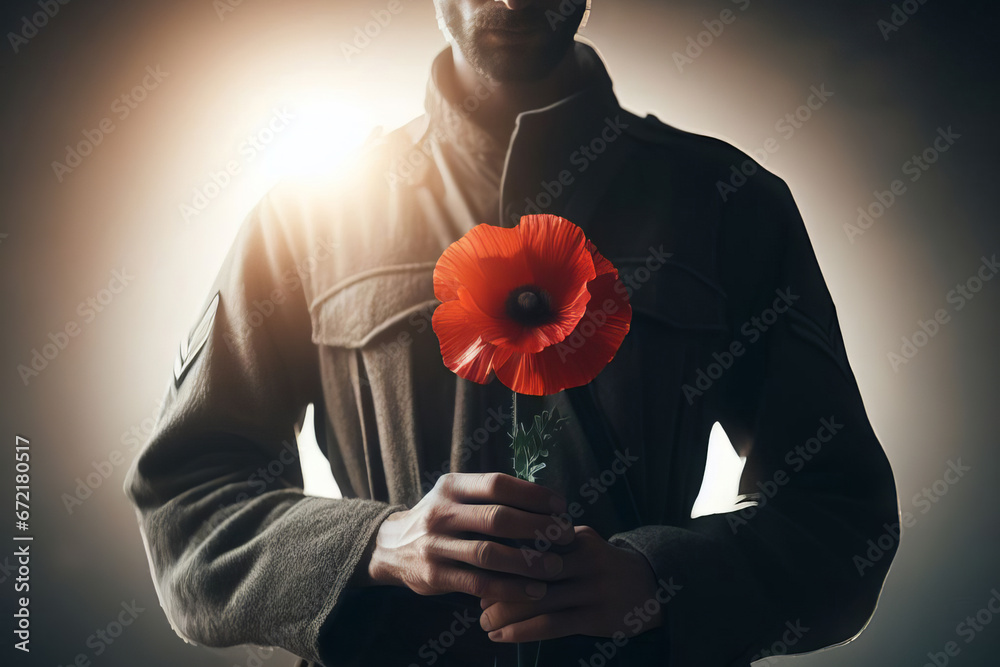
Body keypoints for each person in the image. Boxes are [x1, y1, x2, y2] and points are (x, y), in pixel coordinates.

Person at [123, 1, 900, 665]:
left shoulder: (728, 201)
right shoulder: (306, 217)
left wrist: (660, 579)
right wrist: (376, 543)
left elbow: (842, 514)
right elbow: (188, 501)